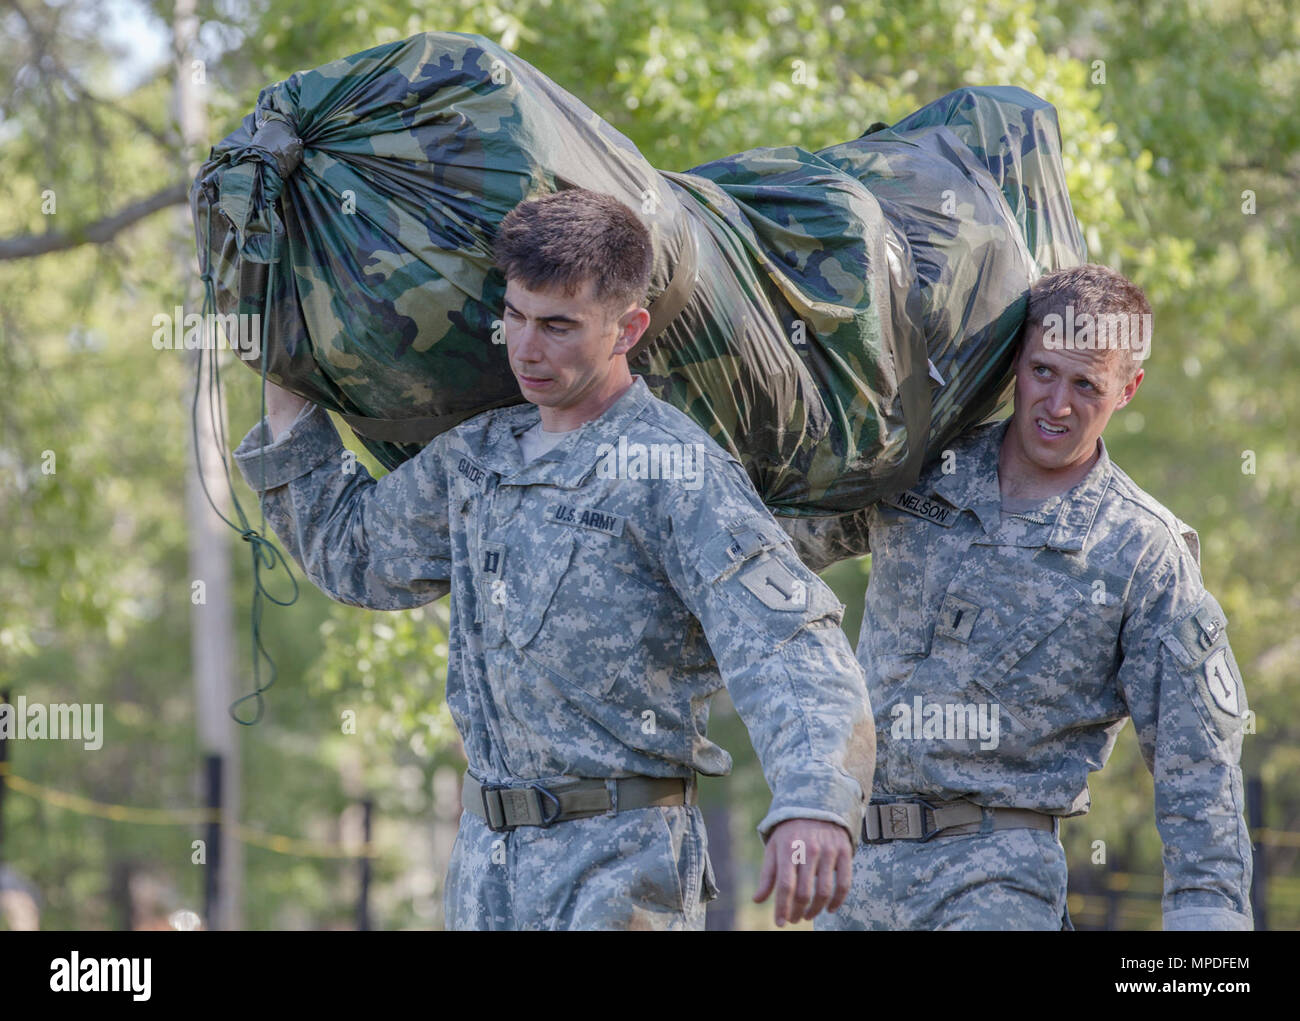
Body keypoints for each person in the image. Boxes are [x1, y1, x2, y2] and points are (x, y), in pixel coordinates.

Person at [232, 188, 874, 930]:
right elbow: (355, 554)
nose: (527, 348)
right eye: (515, 316)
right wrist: (286, 381)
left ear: (627, 328)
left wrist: (815, 802)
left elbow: (787, 637)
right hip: (486, 868)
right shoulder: (477, 456)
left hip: (619, 864)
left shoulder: (673, 470)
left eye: (559, 326)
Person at [789, 264, 1252, 931]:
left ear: (1128, 389)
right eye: (1042, 371)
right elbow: (794, 533)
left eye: (1086, 384)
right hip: (858, 874)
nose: (1057, 404)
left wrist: (1209, 929)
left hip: (997, 881)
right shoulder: (919, 470)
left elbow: (1198, 762)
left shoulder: (1140, 551)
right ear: (1016, 361)